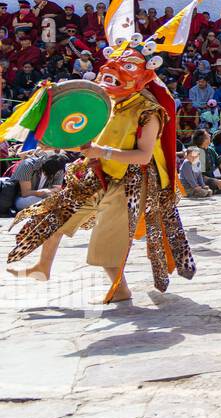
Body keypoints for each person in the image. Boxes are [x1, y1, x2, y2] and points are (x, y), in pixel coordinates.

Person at [5, 40, 195, 303]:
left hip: (130, 180)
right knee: (57, 215)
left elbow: (143, 155)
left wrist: (101, 153)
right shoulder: (109, 104)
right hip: (97, 172)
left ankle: (120, 289)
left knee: (107, 236)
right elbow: (89, 142)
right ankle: (43, 267)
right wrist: (50, 143)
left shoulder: (149, 112)